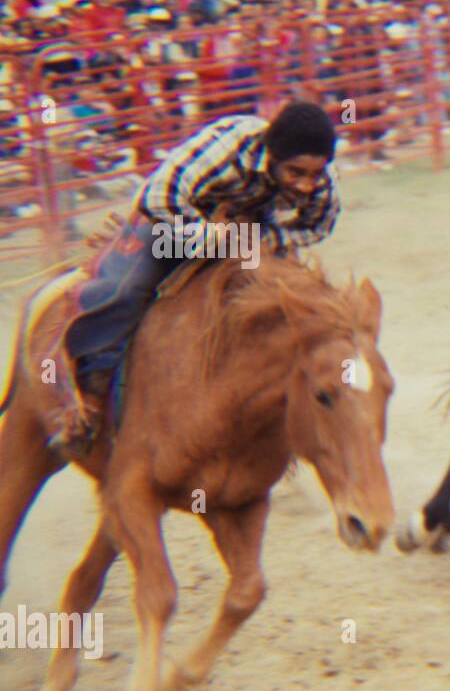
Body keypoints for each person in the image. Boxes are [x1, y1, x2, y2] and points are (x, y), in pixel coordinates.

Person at [51, 101, 341, 454]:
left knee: (283, 300)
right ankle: (91, 385)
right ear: (272, 155)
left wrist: (265, 240)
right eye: (296, 173)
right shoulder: (226, 148)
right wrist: (211, 237)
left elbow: (319, 224)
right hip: (174, 223)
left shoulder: (322, 176)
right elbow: (157, 197)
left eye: (315, 174)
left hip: (247, 227)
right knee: (127, 289)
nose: (307, 185)